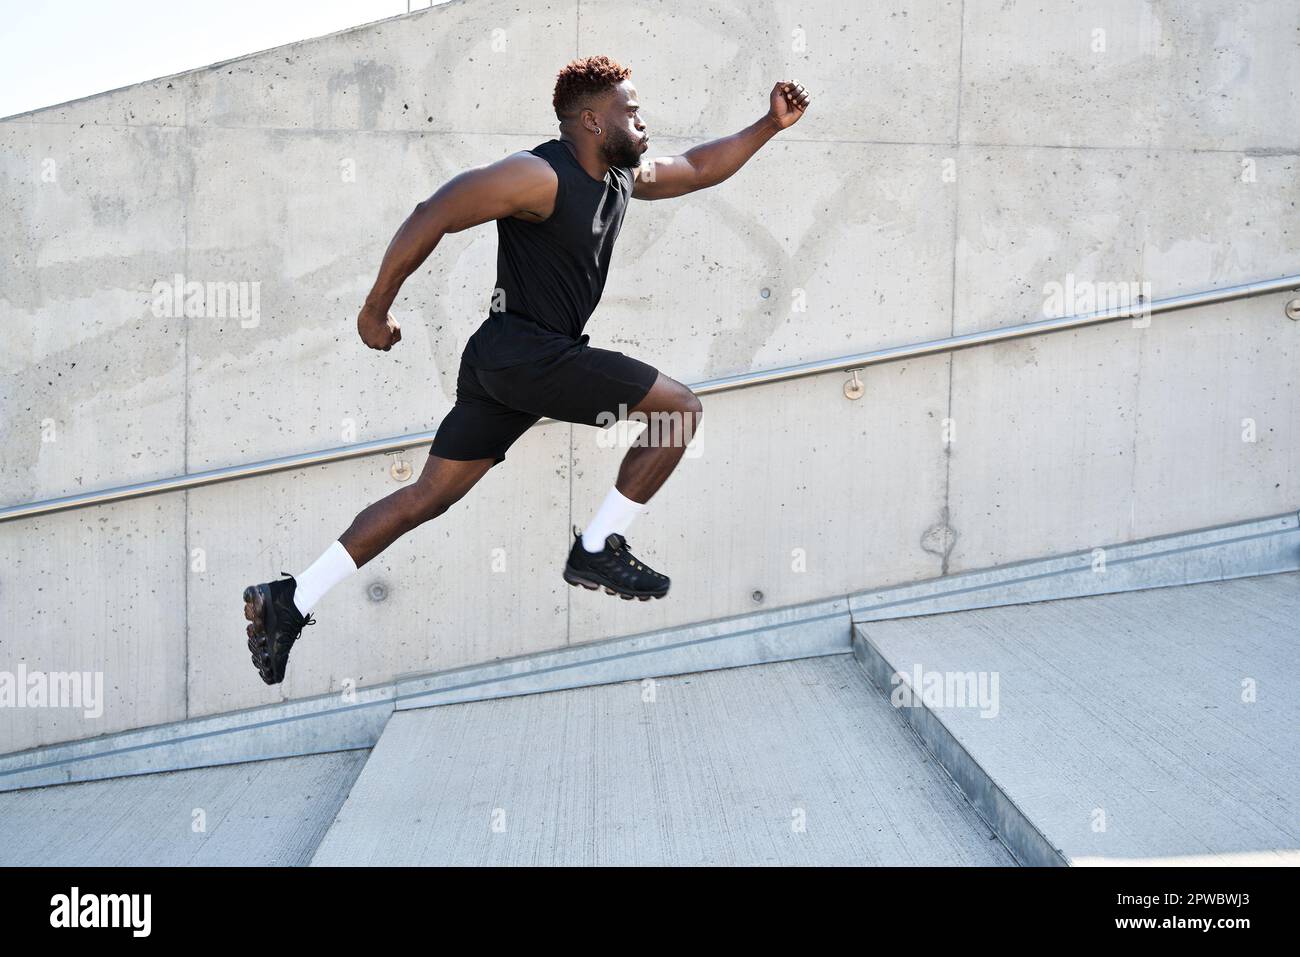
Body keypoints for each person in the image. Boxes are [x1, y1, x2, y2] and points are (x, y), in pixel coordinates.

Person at [243, 55, 811, 685]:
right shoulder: (539, 175)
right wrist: (375, 309)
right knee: (680, 412)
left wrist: (768, 124)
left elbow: (701, 167)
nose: (643, 120)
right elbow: (434, 211)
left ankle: (291, 600)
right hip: (527, 353)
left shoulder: (624, 176)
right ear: (593, 121)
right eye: (631, 109)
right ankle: (597, 548)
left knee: (428, 496)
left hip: (506, 365)